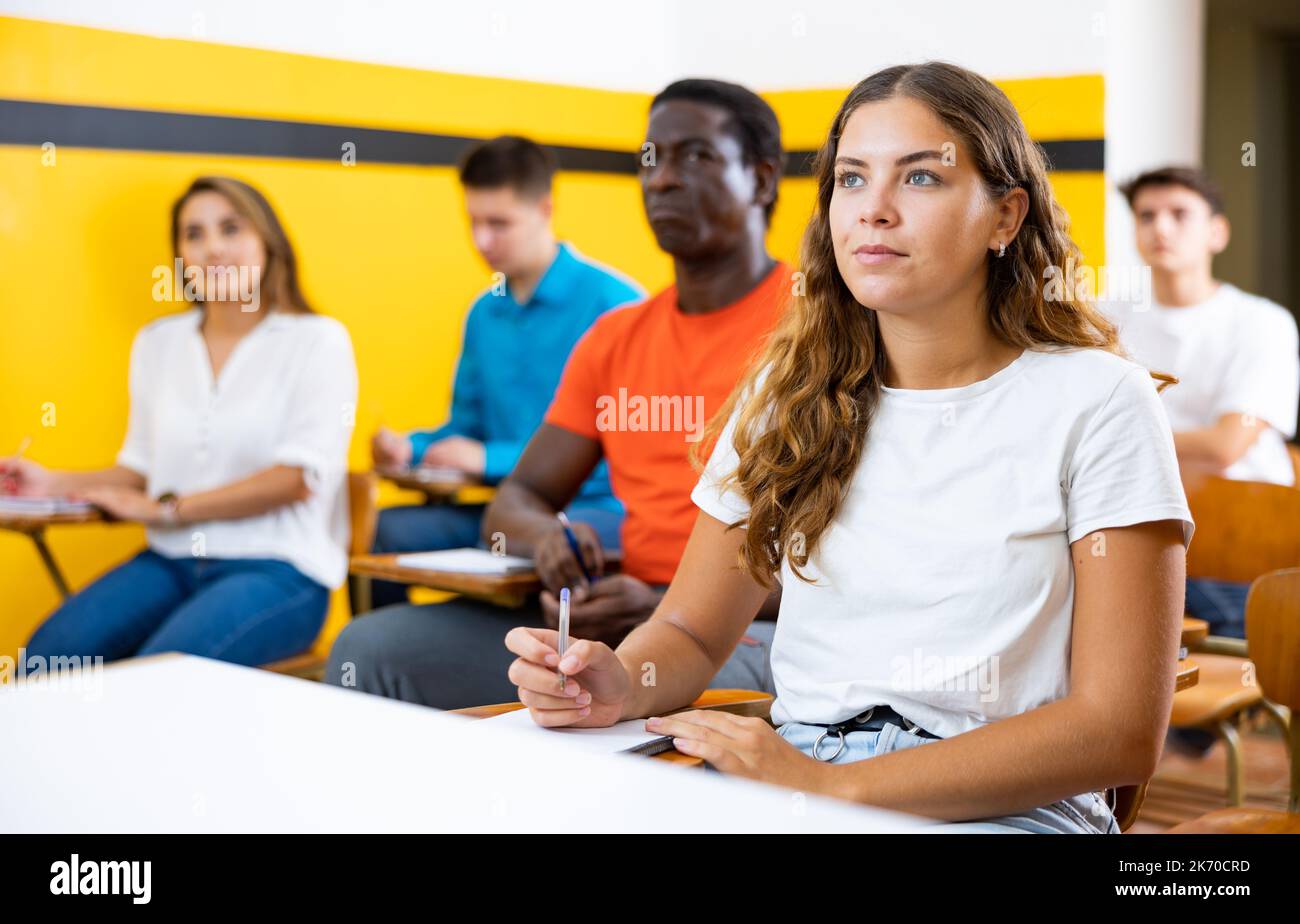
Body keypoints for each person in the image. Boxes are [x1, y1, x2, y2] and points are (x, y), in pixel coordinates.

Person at [503, 62, 1193, 833]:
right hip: (792, 775)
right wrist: (621, 682)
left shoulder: (1098, 401)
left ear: (1005, 216)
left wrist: (834, 790)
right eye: (853, 180)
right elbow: (693, 633)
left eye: (922, 178)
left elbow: (1119, 730)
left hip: (1002, 804)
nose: (875, 212)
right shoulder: (786, 392)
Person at [327, 78, 790, 708]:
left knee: (611, 691)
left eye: (697, 157)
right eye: (651, 160)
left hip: (747, 629)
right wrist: (549, 540)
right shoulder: (615, 337)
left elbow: (860, 566)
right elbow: (516, 499)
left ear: (762, 180)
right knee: (370, 652)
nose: (663, 179)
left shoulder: (818, 329)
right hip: (615, 615)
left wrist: (660, 606)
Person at [2, 176, 357, 667]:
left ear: (268, 242)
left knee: (152, 682)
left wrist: (167, 509)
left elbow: (295, 480)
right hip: (170, 560)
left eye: (231, 228)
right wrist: (49, 482)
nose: (212, 248)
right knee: (43, 661)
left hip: (278, 569)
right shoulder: (158, 342)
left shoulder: (318, 341)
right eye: (194, 234)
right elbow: (141, 470)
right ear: (180, 257)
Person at [367, 136, 641, 608]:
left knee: (553, 545)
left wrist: (488, 459)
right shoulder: (483, 313)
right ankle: (388, 663)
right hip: (505, 511)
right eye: (473, 222)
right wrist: (410, 448)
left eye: (499, 223)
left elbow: (629, 449)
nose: (481, 241)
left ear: (544, 209)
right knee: (389, 529)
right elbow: (465, 429)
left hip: (595, 510)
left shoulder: (615, 304)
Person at [1111, 166, 1299, 639]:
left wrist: (1123, 438)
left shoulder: (1261, 322)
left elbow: (1226, 444)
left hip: (1240, 552)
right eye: (1147, 215)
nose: (1161, 228)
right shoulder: (1104, 319)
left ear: (1217, 232)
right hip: (1134, 538)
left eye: (1179, 214)